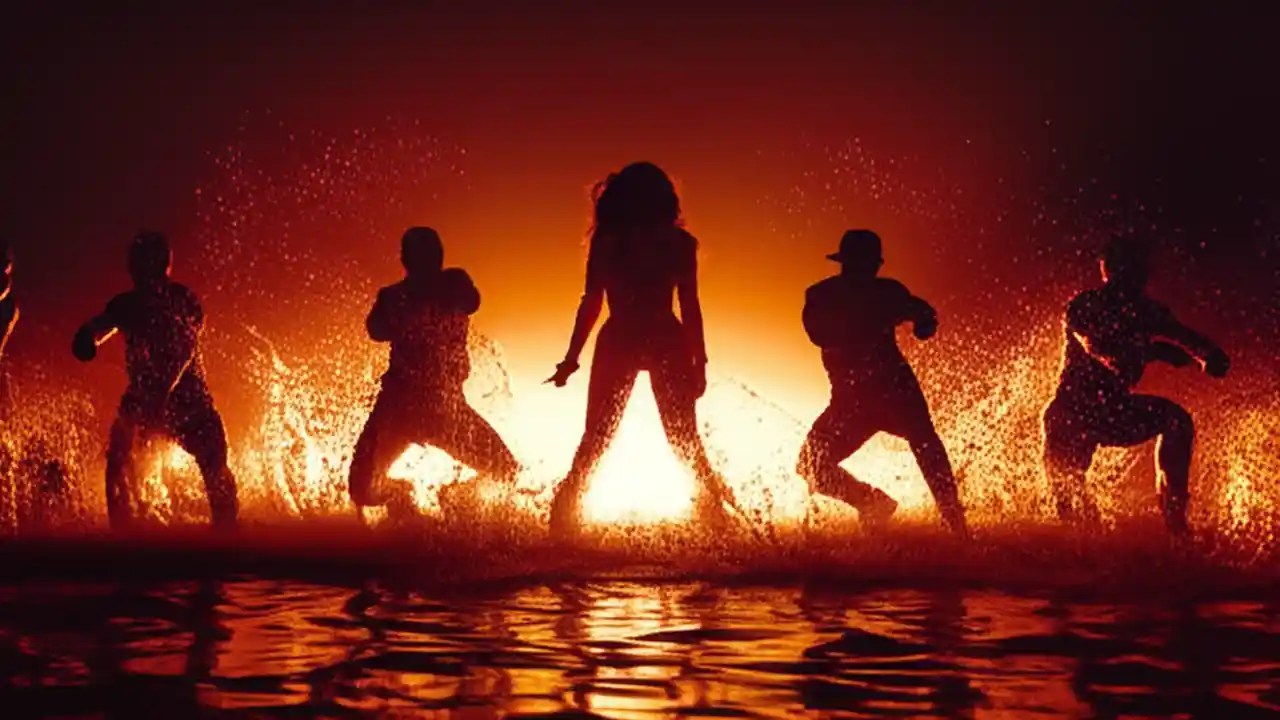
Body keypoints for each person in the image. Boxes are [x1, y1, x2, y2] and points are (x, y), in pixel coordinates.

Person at [546, 162, 741, 538]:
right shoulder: (678, 244)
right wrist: (700, 360)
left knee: (598, 438)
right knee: (684, 439)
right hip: (664, 335)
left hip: (623, 334)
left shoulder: (609, 241)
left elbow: (592, 302)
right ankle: (716, 521)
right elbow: (690, 306)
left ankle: (562, 520)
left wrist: (572, 357)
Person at [1042, 234, 1228, 537]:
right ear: (1108, 271)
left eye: (1140, 271)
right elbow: (1098, 349)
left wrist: (1210, 355)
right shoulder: (1084, 305)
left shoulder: (1149, 311)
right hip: (1070, 416)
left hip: (1113, 411)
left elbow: (1185, 336)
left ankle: (1177, 528)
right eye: (1130, 270)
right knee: (1074, 524)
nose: (1138, 278)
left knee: (1176, 420)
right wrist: (1154, 351)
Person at [796, 229, 966, 534]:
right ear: (845, 263)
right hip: (850, 400)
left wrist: (924, 321)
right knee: (809, 466)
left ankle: (957, 525)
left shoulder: (888, 293)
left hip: (894, 390)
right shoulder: (821, 296)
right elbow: (818, 335)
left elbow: (923, 314)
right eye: (860, 264)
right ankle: (872, 502)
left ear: (875, 266)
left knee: (927, 445)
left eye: (870, 265)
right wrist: (874, 319)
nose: (866, 271)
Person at [347, 227, 519, 523]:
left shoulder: (454, 283)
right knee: (361, 491)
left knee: (506, 470)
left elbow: (472, 301)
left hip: (446, 409)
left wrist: (425, 301)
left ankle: (457, 497)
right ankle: (399, 494)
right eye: (422, 255)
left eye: (434, 254)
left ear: (440, 257)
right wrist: (404, 309)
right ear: (406, 261)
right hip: (397, 409)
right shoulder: (392, 297)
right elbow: (376, 330)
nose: (431, 260)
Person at [72, 231, 238, 530]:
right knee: (117, 463)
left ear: (163, 266)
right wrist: (85, 336)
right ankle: (123, 535)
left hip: (189, 399)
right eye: (137, 264)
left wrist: (162, 393)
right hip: (142, 396)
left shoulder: (182, 300)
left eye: (146, 263)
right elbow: (99, 326)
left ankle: (226, 535)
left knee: (214, 463)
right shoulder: (125, 305)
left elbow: (184, 350)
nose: (140, 271)